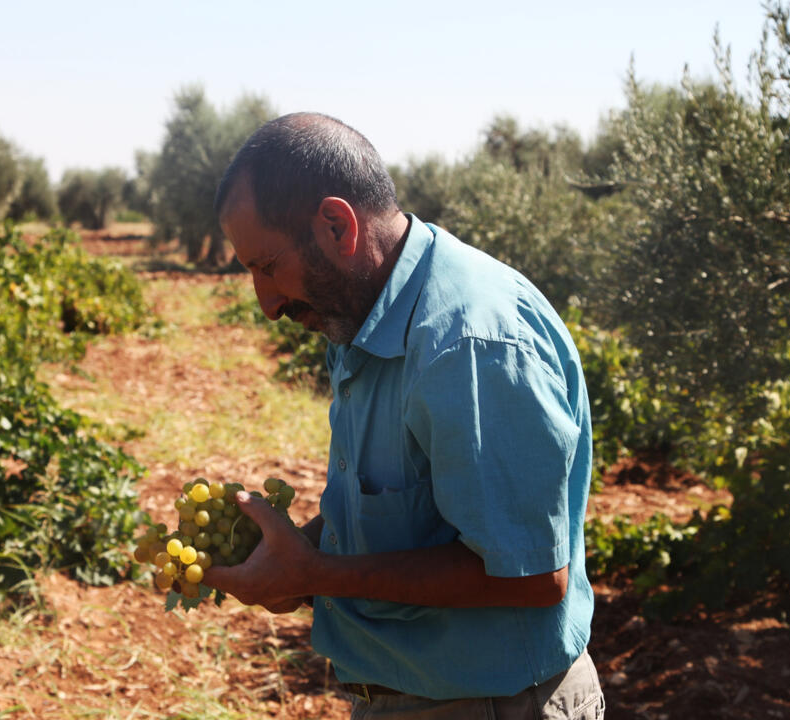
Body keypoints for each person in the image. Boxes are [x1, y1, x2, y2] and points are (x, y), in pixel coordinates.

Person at [201, 112, 604, 719]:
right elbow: (401, 517)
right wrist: (294, 561)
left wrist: (315, 574)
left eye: (266, 266)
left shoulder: (470, 344)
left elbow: (530, 577)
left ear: (337, 225)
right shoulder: (361, 315)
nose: (267, 303)